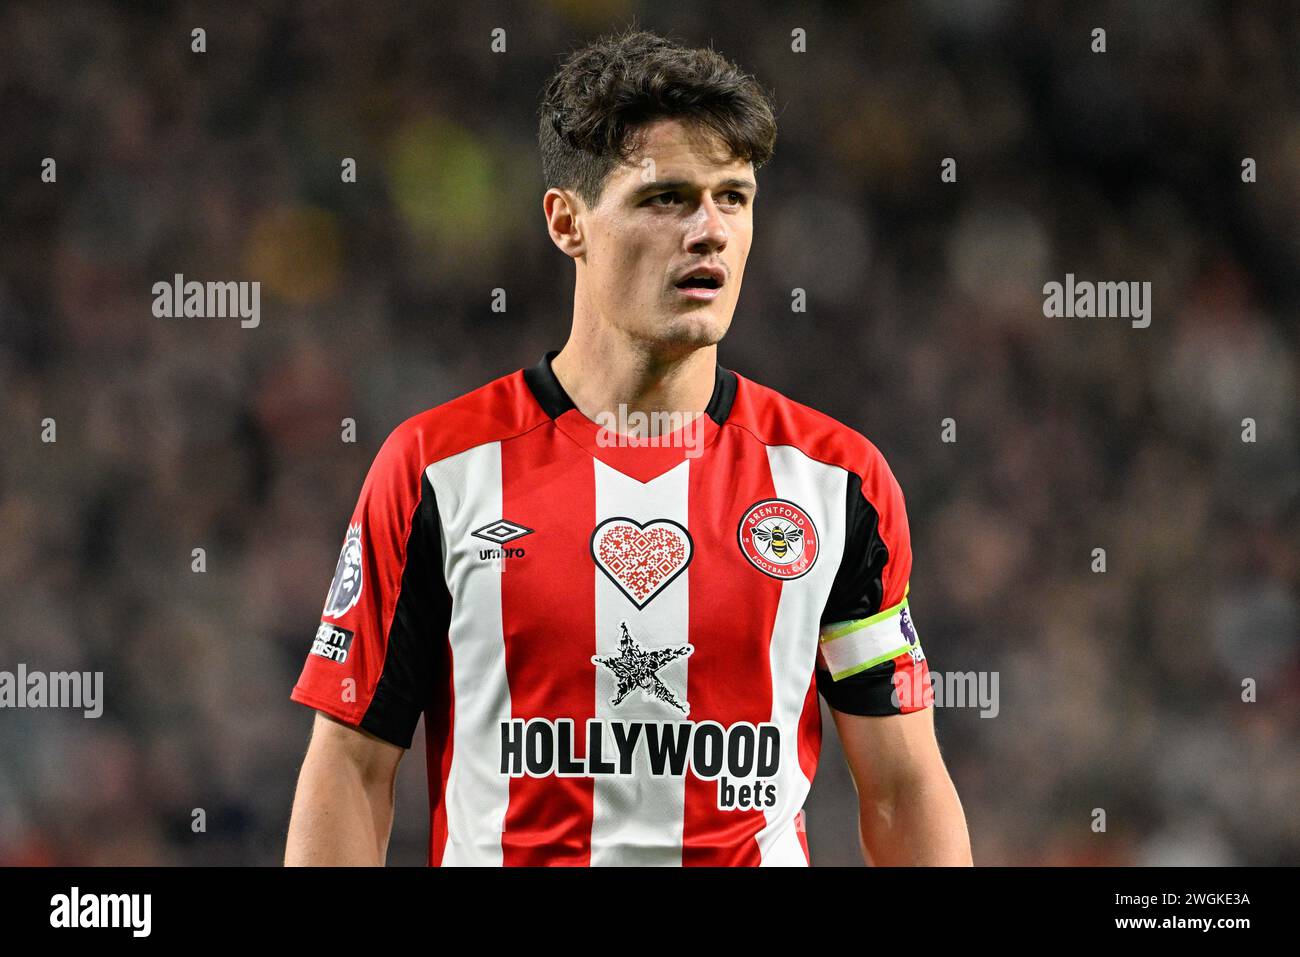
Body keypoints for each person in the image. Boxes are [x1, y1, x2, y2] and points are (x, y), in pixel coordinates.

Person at [285, 27, 972, 866]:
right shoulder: (437, 469)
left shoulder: (838, 481)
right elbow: (352, 768)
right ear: (567, 222)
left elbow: (902, 786)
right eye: (667, 198)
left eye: (734, 196)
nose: (710, 230)